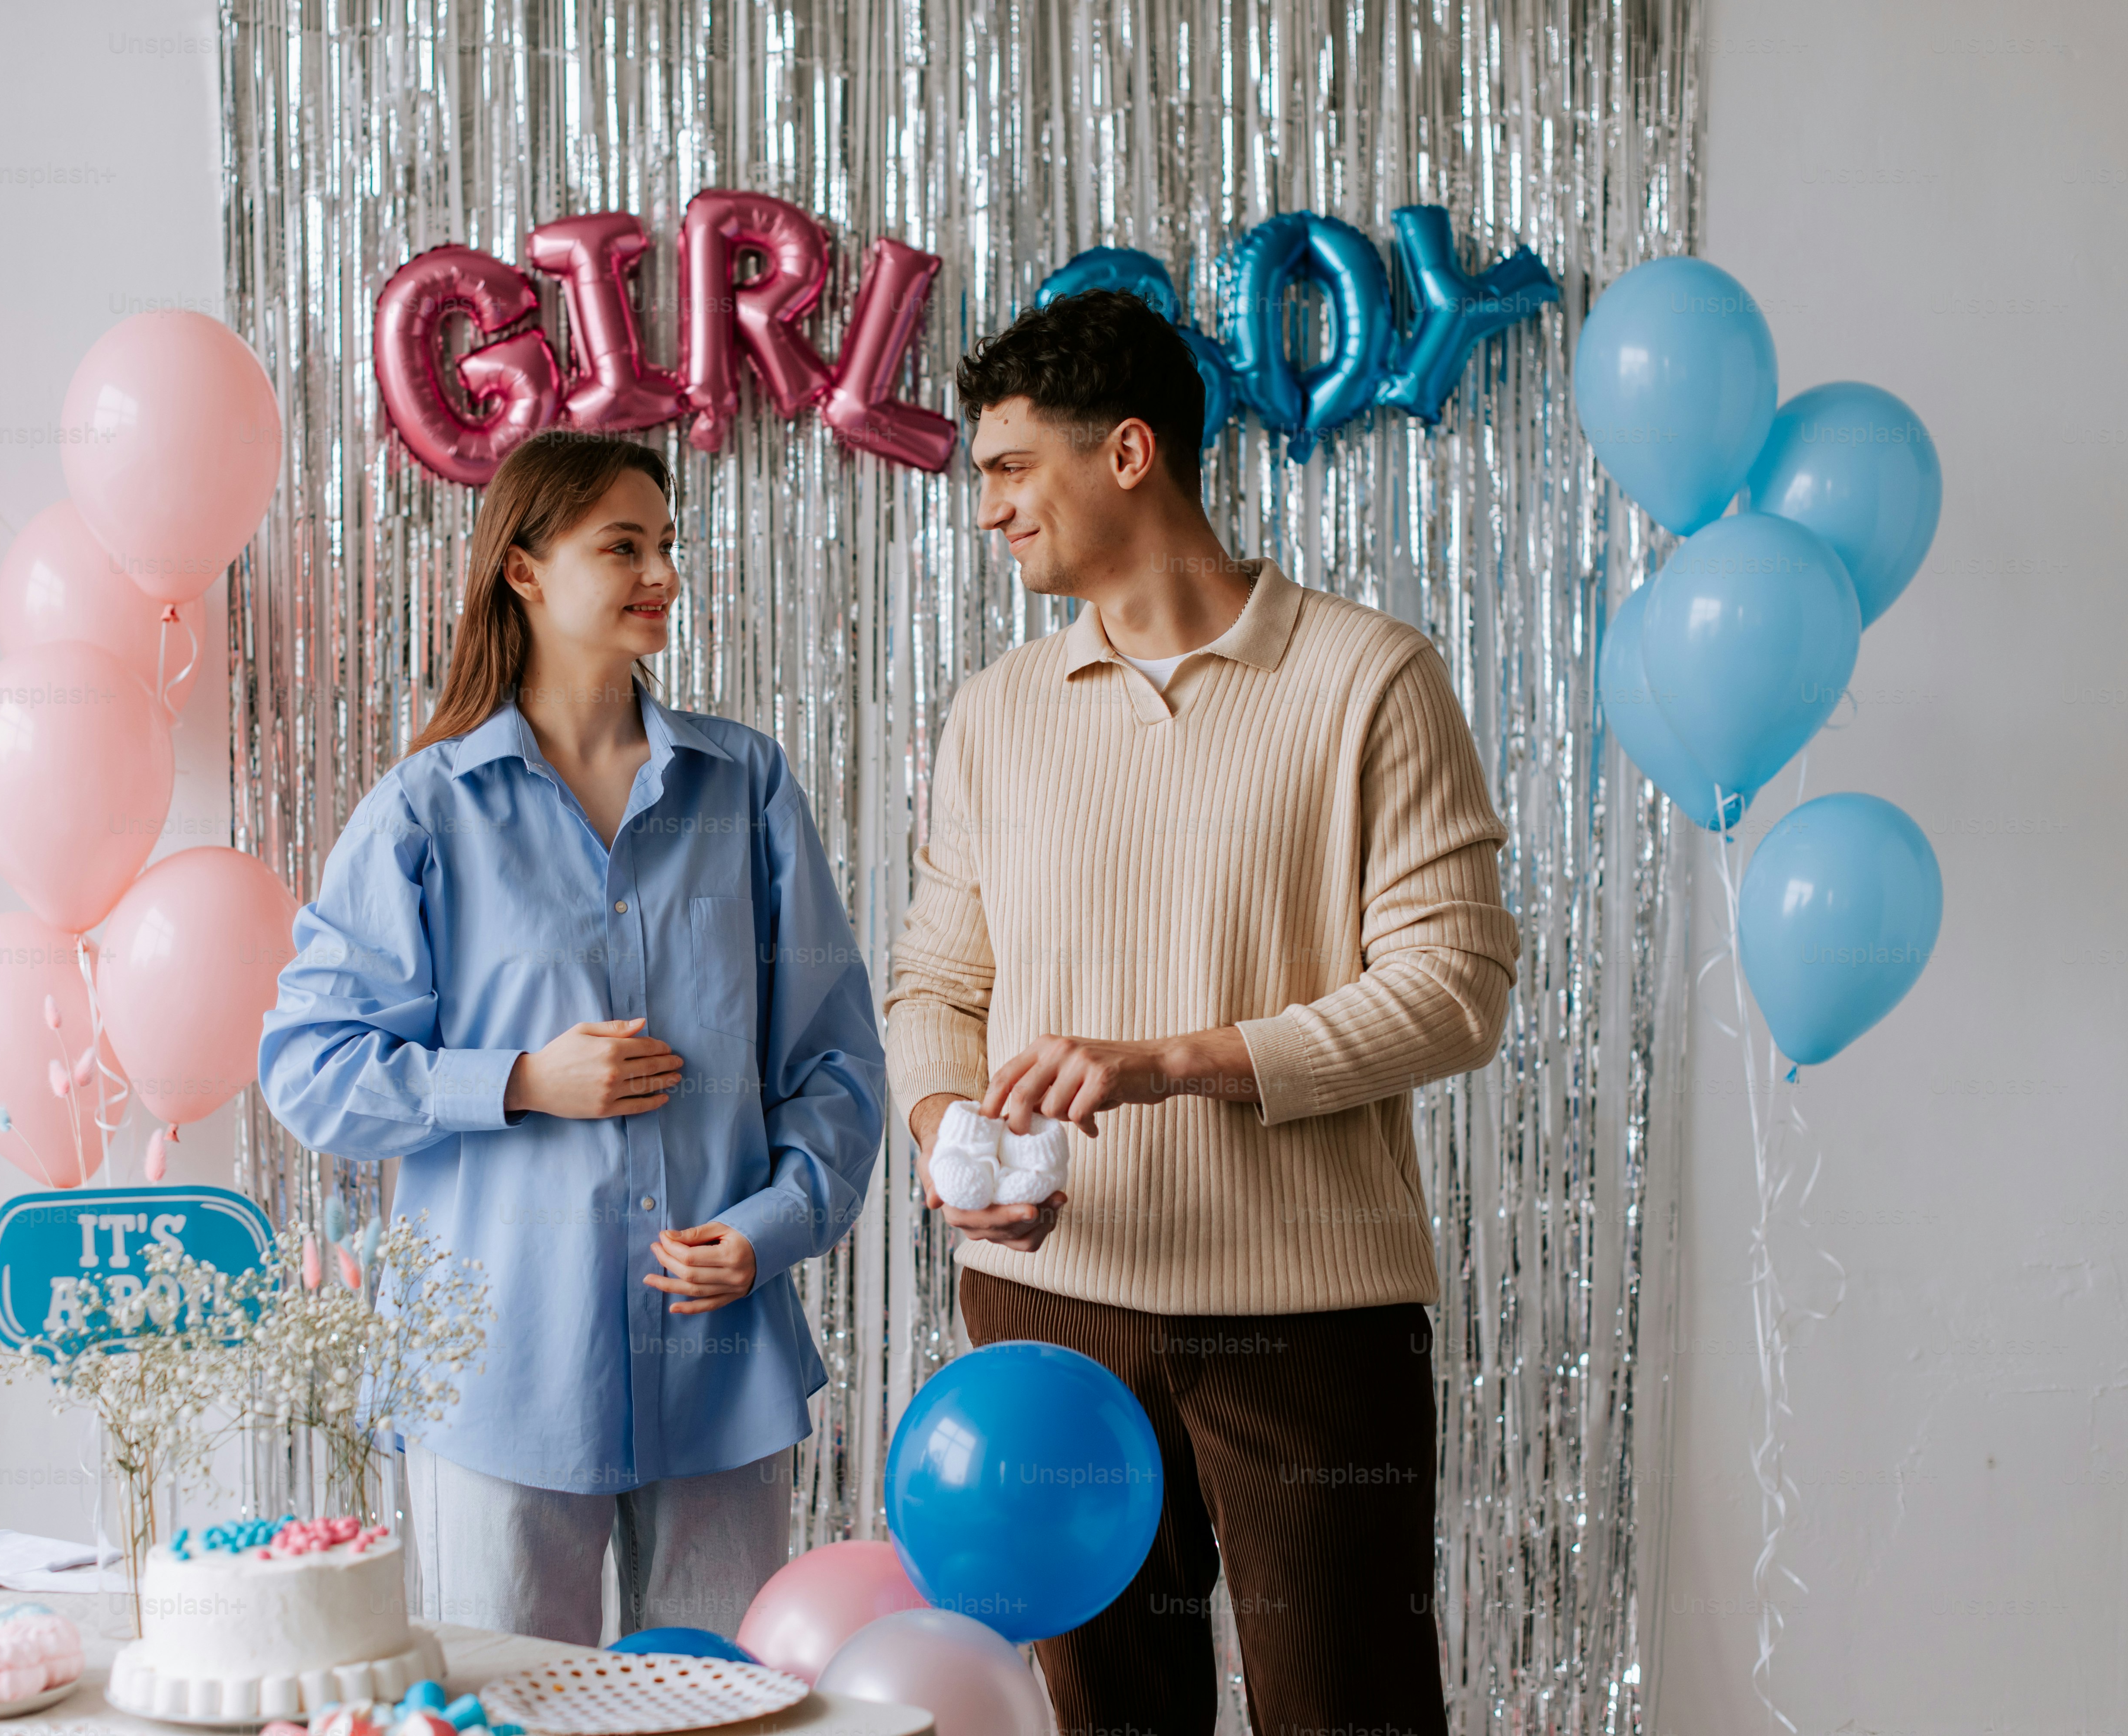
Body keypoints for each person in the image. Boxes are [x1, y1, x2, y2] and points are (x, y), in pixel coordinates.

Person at [884, 289, 1518, 1736]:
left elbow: (1456, 987)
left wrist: (1177, 1061)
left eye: (1006, 468)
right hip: (1048, 1312)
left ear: (1127, 453)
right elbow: (938, 988)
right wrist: (947, 1142)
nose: (988, 512)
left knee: (1345, 1713)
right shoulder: (998, 711)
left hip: (1306, 1321)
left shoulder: (1370, 679)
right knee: (1109, 1721)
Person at [258, 432, 885, 1648]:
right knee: (507, 1709)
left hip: (721, 1366)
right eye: (622, 546)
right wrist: (522, 1082)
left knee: (720, 1715)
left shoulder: (745, 786)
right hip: (498, 1370)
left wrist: (770, 1229)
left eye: (666, 545)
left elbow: (836, 1062)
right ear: (526, 571)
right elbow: (309, 1066)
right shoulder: (425, 814)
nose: (661, 572)